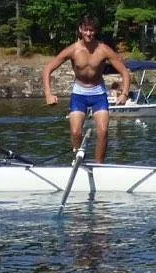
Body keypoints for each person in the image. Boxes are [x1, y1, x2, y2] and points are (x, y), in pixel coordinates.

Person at [42, 17, 134, 164]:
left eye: (91, 30)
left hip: (98, 94)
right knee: (75, 132)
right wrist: (48, 94)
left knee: (103, 131)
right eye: (86, 30)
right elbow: (48, 69)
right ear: (80, 30)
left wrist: (124, 94)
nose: (89, 33)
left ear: (95, 31)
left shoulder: (103, 50)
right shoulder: (73, 50)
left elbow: (124, 72)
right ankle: (79, 161)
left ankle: (99, 165)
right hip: (79, 94)